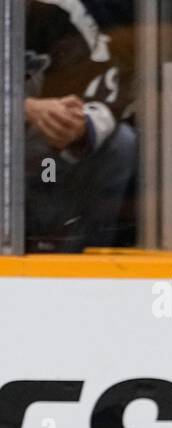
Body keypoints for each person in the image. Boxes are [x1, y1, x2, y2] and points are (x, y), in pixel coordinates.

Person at [25, 0, 137, 252]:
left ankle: (75, 261)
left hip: (33, 148)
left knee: (120, 144)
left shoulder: (59, 11)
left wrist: (77, 123)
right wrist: (23, 108)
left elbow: (102, 85)